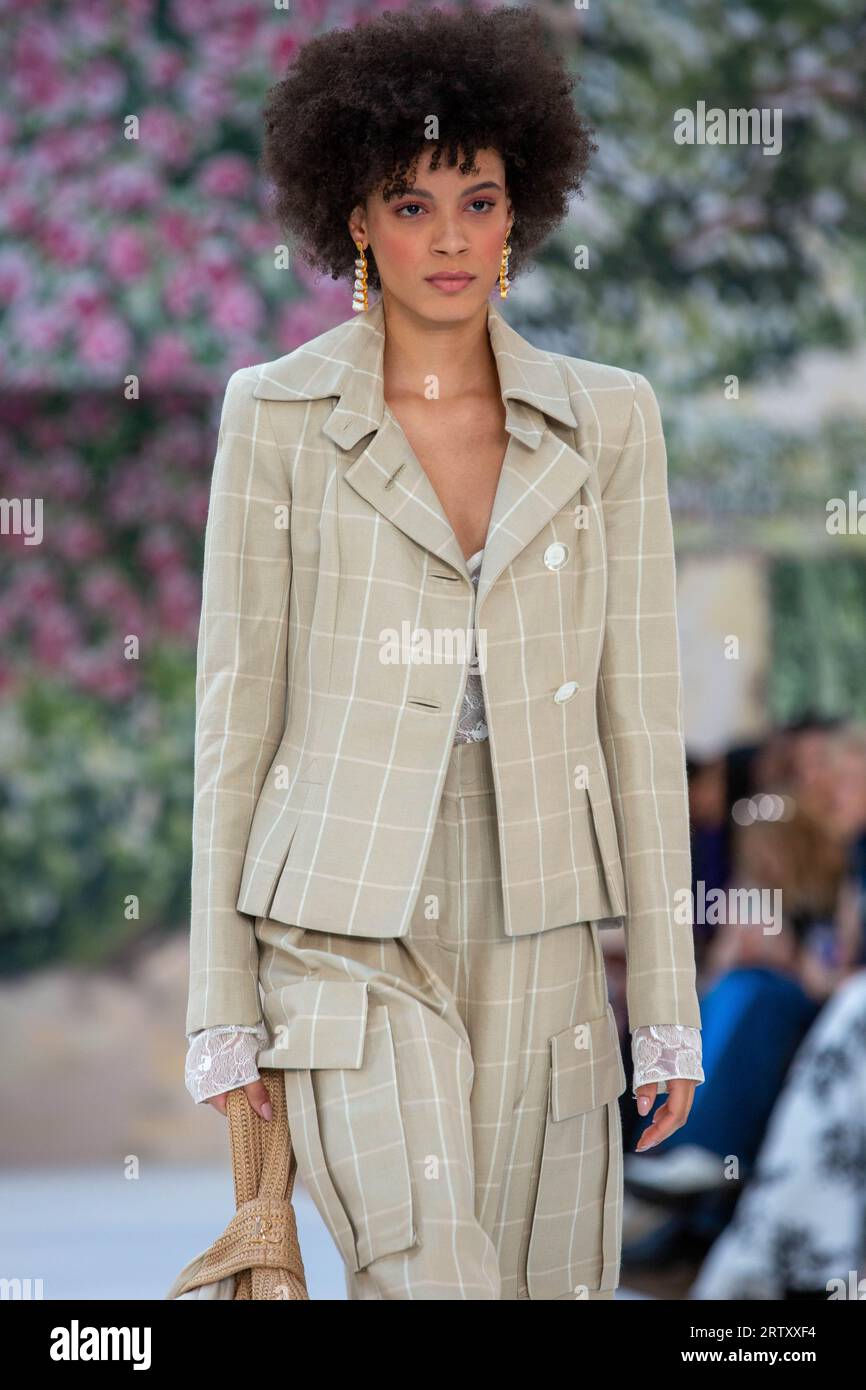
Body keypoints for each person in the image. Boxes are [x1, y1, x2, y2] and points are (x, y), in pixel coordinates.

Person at [183, 5, 703, 1301]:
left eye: (477, 198)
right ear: (352, 218)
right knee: (432, 1272)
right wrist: (220, 1003)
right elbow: (235, 709)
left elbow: (640, 717)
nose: (451, 236)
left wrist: (667, 1007)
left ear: (519, 208)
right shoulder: (277, 414)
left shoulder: (609, 422)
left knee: (542, 1278)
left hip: (542, 912)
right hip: (335, 918)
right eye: (410, 204)